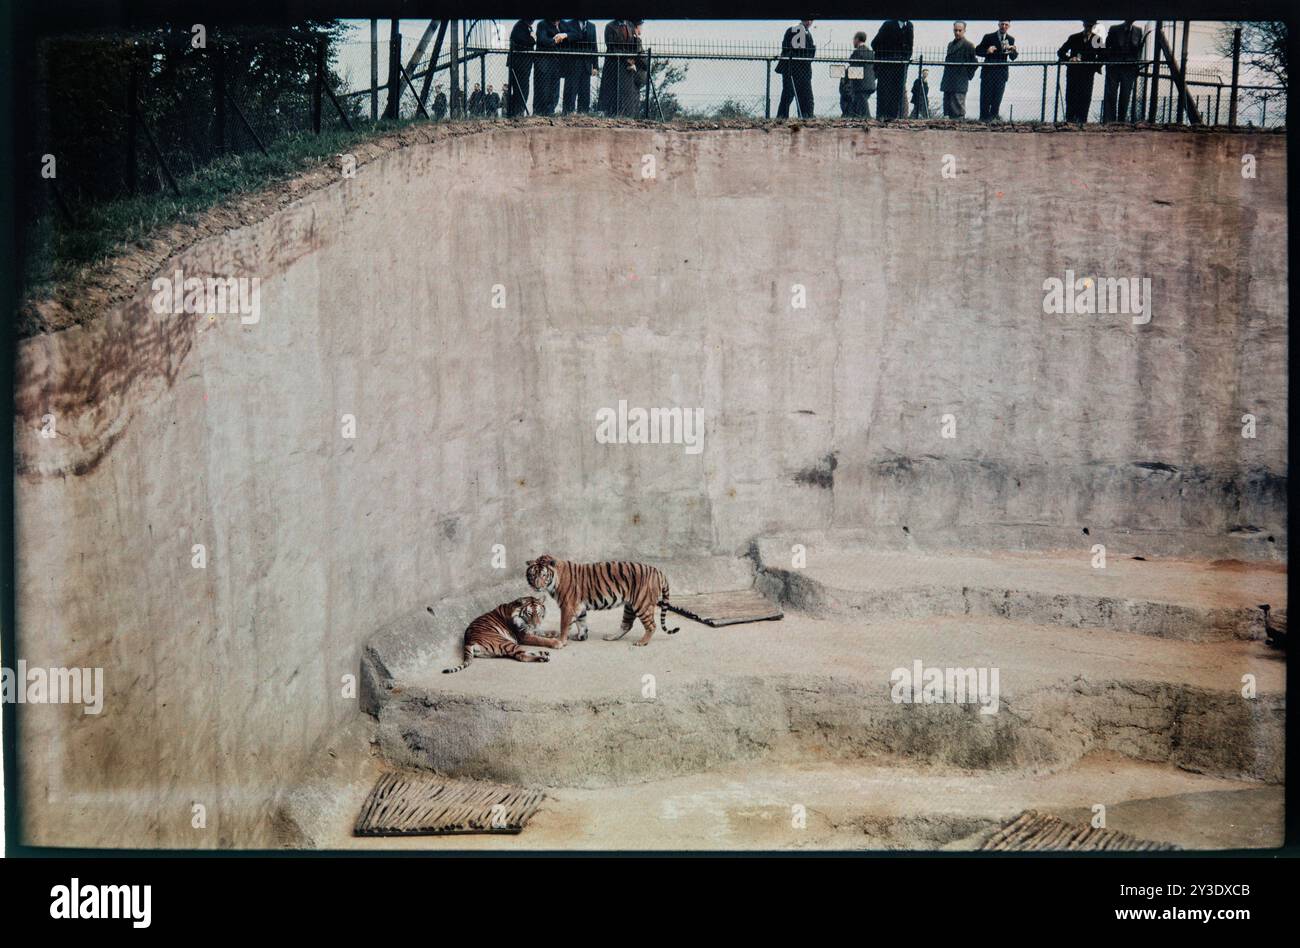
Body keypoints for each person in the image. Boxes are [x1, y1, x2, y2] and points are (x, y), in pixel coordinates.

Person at [1058, 21, 1104, 123]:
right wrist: (1070, 59)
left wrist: (1094, 66)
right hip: (1073, 73)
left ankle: (1083, 121)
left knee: (1086, 96)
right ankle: (1070, 121)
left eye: (1091, 25)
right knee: (1071, 96)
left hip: (1088, 74)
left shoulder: (1097, 39)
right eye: (1087, 25)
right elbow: (1061, 52)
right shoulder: (1074, 38)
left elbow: (1104, 56)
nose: (1089, 27)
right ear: (1084, 25)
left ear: (1094, 26)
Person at [599, 18, 645, 117]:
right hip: (614, 66)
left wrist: (632, 58)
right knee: (613, 94)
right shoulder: (610, 26)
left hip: (627, 68)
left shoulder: (630, 25)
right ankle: (612, 115)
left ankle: (625, 116)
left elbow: (633, 43)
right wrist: (627, 59)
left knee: (626, 95)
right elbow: (611, 47)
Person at [871, 18, 914, 120]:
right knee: (885, 92)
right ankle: (882, 117)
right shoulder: (888, 24)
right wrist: (887, 56)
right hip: (886, 67)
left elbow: (910, 47)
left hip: (900, 68)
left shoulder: (909, 26)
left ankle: (892, 118)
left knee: (897, 93)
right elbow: (875, 44)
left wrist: (905, 61)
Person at [976, 19, 1017, 121]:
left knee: (997, 98)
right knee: (985, 97)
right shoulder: (988, 37)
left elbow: (1013, 57)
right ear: (998, 24)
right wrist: (987, 51)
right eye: (1002, 24)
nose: (1004, 26)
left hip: (1001, 73)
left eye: (1006, 25)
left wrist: (1013, 50)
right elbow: (977, 50)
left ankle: (994, 118)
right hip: (988, 72)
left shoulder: (1010, 39)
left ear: (1009, 26)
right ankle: (983, 119)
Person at [1104, 20, 1144, 122]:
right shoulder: (1114, 29)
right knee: (1111, 95)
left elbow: (1139, 49)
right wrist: (1110, 61)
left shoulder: (1138, 31)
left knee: (1125, 96)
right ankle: (1109, 122)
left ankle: (1122, 122)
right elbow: (1106, 46)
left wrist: (1136, 64)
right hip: (1114, 67)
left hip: (1129, 69)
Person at [775, 19, 816, 119]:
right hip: (800, 70)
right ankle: (806, 116)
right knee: (804, 97)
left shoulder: (796, 30)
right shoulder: (800, 31)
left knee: (788, 95)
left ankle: (782, 116)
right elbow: (802, 52)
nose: (810, 22)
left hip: (791, 69)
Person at [940, 20, 978, 119]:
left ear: (964, 31)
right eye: (955, 30)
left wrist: (966, 75)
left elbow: (974, 63)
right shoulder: (950, 45)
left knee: (958, 110)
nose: (957, 33)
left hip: (959, 83)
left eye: (960, 30)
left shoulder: (968, 45)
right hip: (948, 80)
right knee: (947, 111)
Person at [561, 17, 599, 113]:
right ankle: (567, 114)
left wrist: (595, 66)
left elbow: (594, 46)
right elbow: (565, 43)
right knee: (570, 93)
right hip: (572, 64)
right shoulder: (568, 24)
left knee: (585, 93)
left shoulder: (591, 26)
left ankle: (583, 115)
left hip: (586, 65)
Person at [533, 19, 568, 116]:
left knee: (554, 90)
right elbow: (542, 40)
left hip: (557, 64)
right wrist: (556, 40)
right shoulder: (542, 24)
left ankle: (550, 112)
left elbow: (574, 33)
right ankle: (540, 113)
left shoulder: (563, 24)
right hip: (544, 63)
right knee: (543, 89)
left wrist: (564, 35)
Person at [840, 30, 875, 117]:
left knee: (863, 108)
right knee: (861, 105)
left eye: (854, 39)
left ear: (857, 39)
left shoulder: (858, 52)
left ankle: (867, 121)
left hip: (860, 84)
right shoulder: (870, 53)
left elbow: (852, 66)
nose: (853, 41)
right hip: (870, 83)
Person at [506, 19, 534, 117]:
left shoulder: (524, 26)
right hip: (519, 65)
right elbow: (525, 41)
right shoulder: (520, 26)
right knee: (521, 89)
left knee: (522, 89)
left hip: (522, 64)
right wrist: (532, 39)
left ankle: (518, 112)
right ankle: (517, 112)